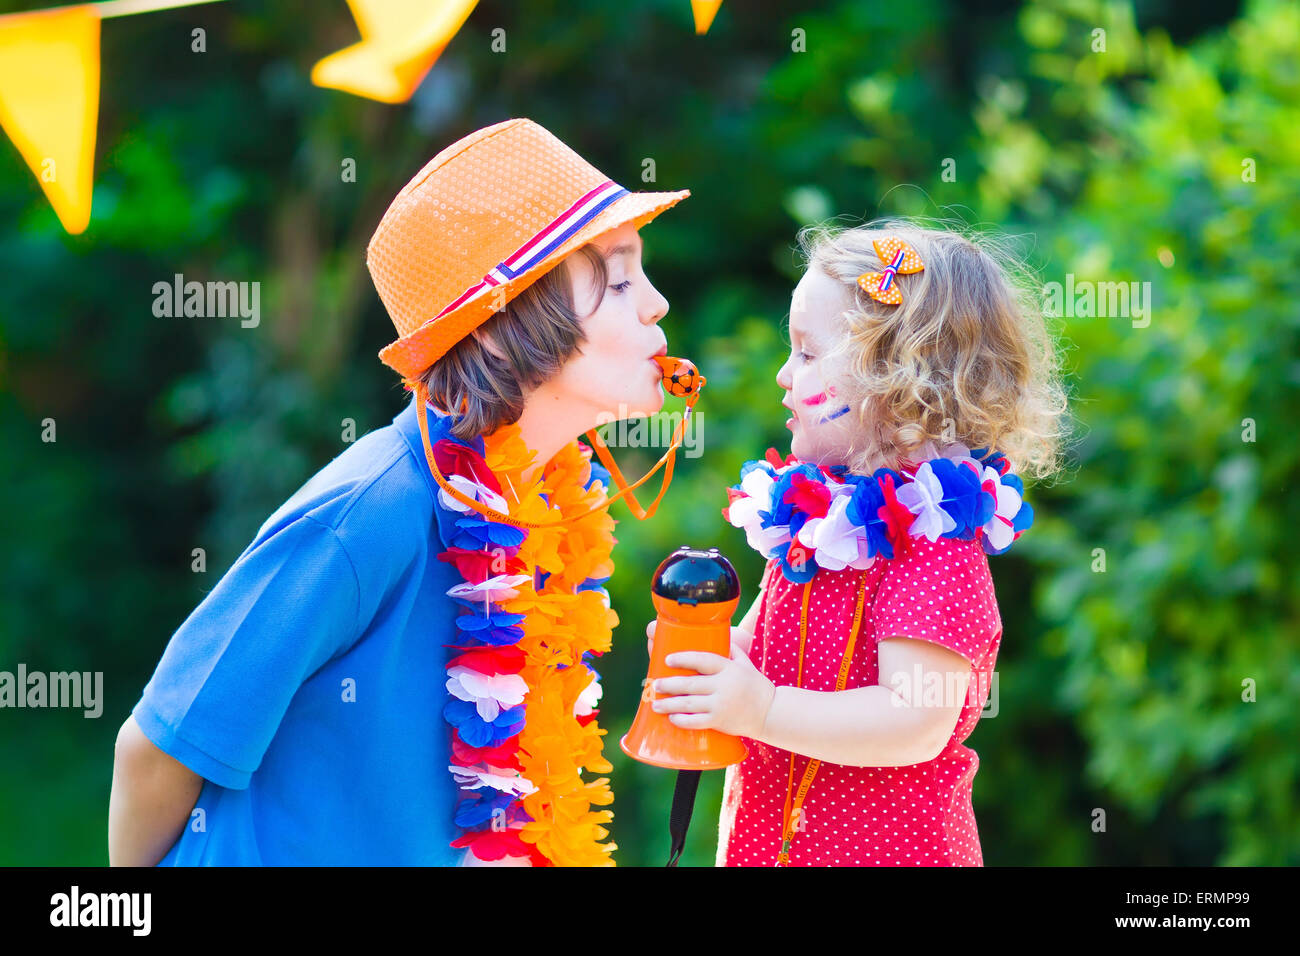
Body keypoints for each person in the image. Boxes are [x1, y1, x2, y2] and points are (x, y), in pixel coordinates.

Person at [108, 118, 690, 866]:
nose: (656, 304)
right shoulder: (366, 515)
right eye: (619, 279)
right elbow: (154, 751)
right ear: (496, 327)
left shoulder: (546, 512)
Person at [648, 219, 1068, 865]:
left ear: (899, 380)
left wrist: (761, 710)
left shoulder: (933, 546)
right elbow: (761, 652)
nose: (784, 375)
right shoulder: (822, 528)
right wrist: (705, 659)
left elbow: (914, 719)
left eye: (807, 354)